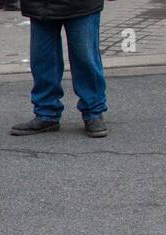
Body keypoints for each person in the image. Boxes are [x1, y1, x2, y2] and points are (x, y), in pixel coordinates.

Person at [11, 0, 108, 138]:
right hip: (41, 6)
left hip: (83, 5)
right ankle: (46, 113)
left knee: (85, 58)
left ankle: (93, 112)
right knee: (43, 59)